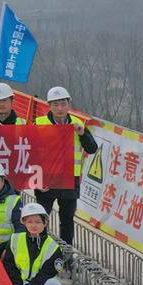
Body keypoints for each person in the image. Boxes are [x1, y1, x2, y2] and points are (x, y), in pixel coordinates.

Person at [34, 86, 100, 244]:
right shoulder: (39, 124)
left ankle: (66, 257)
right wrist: (36, 180)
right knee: (40, 219)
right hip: (47, 181)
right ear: (49, 106)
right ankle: (40, 250)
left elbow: (92, 149)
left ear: (69, 104)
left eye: (63, 104)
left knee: (67, 221)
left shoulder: (78, 125)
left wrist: (83, 134)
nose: (60, 108)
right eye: (55, 105)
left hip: (69, 181)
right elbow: (30, 154)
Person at [1, 202, 65, 285]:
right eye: (29, 222)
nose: (33, 225)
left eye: (37, 222)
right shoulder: (15, 239)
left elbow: (46, 274)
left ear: (45, 223)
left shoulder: (54, 247)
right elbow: (9, 265)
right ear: (24, 222)